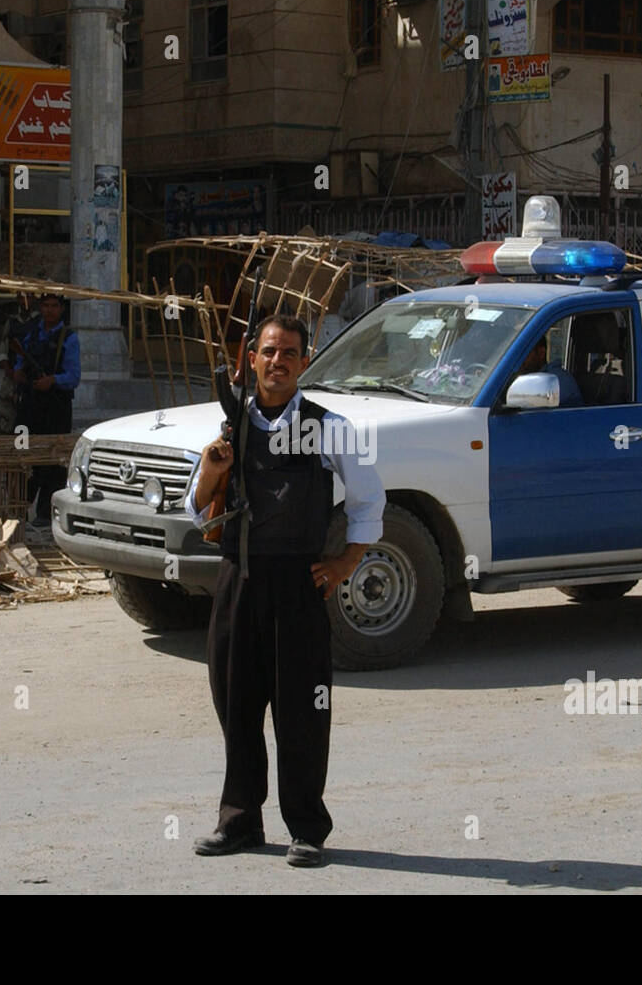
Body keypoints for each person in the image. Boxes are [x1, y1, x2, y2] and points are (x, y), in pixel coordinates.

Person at [185, 314, 385, 868]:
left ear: (304, 361)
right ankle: (240, 821)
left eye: (289, 353)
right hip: (238, 582)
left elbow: (370, 499)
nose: (278, 361)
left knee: (302, 711)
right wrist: (210, 472)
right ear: (252, 360)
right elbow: (197, 509)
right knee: (236, 707)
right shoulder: (230, 428)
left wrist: (346, 561)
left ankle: (307, 829)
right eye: (269, 352)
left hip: (299, 587)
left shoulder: (330, 427)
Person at [12, 293, 80, 527]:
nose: (49, 311)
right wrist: (19, 373)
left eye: (54, 306)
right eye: (46, 306)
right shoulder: (31, 332)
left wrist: (52, 380)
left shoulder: (69, 338)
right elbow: (19, 363)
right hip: (30, 405)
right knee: (24, 456)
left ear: (61, 309)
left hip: (56, 407)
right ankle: (19, 508)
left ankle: (45, 513)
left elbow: (73, 377)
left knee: (53, 460)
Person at [0, 292, 40, 435]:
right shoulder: (12, 323)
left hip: (34, 380)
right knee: (6, 421)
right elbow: (2, 354)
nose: (25, 301)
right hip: (13, 379)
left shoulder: (40, 322)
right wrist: (11, 372)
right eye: (21, 297)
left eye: (29, 297)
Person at [514, 335, 583, 407]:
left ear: (541, 353)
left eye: (524, 353)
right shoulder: (525, 378)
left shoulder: (557, 380)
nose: (519, 359)